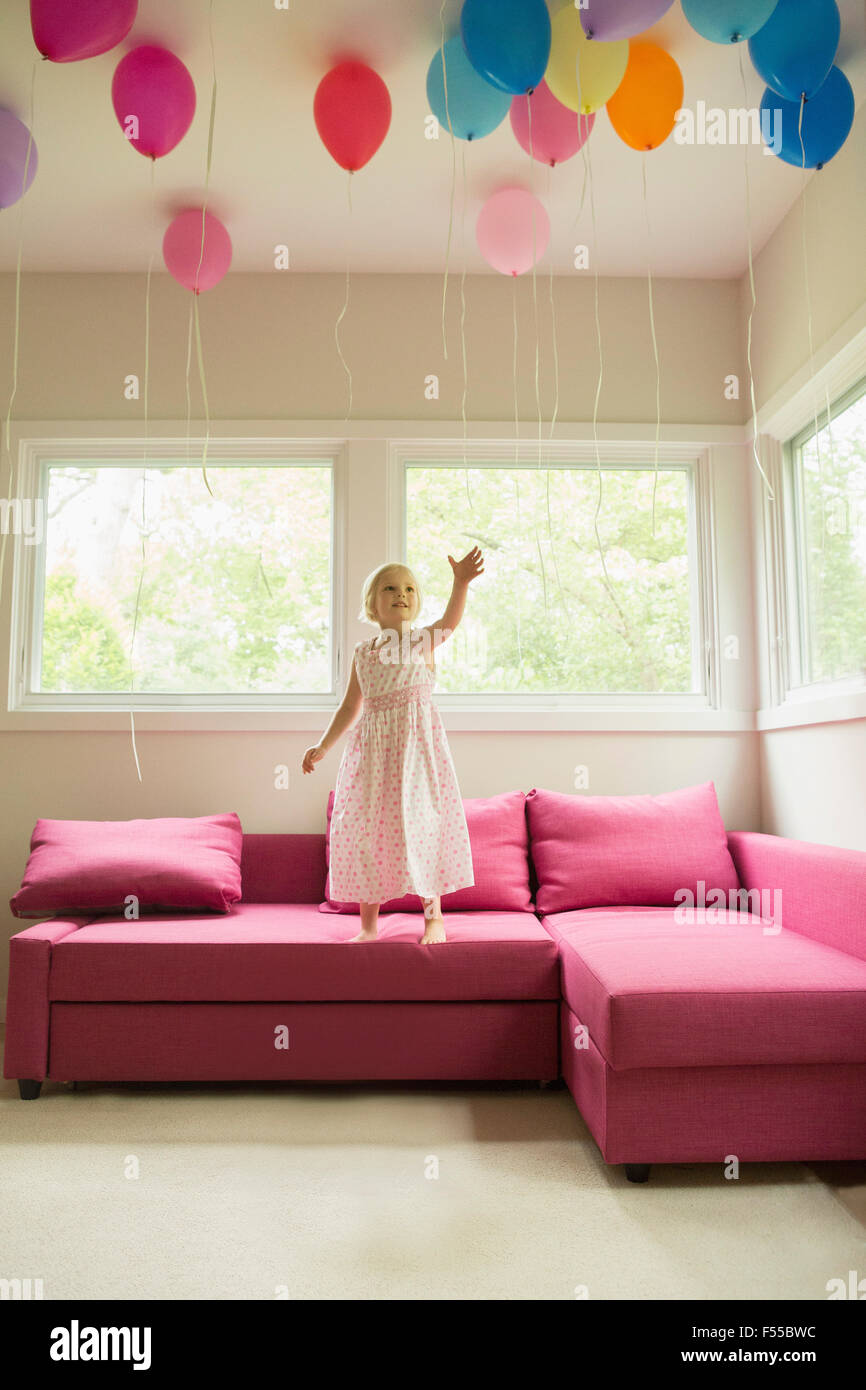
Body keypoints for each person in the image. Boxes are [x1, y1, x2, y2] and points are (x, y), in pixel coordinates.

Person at [302, 549, 483, 943]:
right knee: (369, 831)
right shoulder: (363, 654)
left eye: (409, 588)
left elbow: (450, 622)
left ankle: (434, 917)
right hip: (372, 756)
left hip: (415, 754)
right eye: (390, 588)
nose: (401, 594)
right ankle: (369, 925)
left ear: (416, 600)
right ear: (372, 604)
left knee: (420, 826)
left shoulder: (421, 643)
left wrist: (460, 583)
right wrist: (322, 745)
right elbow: (352, 705)